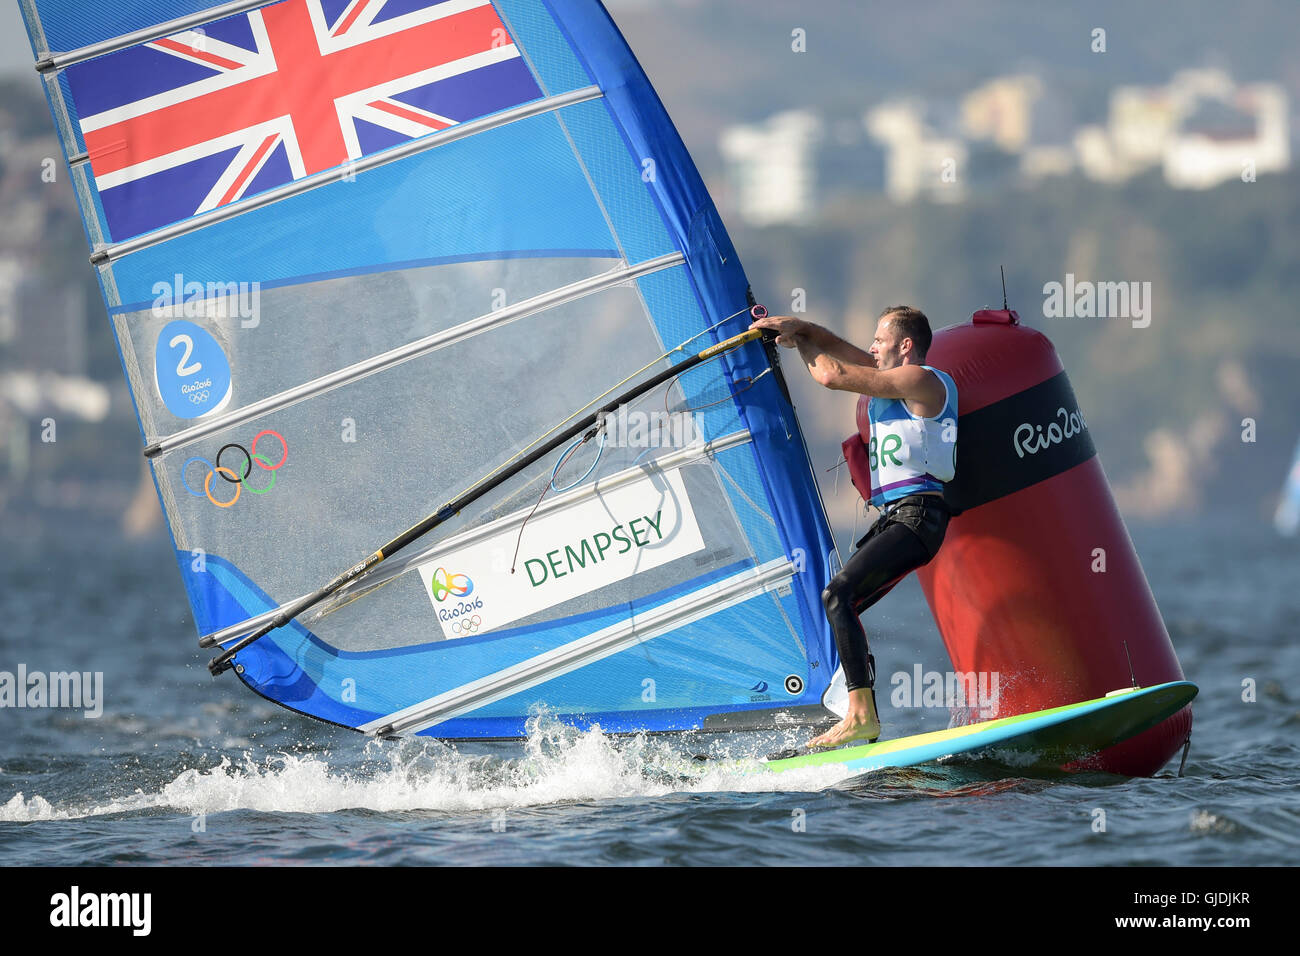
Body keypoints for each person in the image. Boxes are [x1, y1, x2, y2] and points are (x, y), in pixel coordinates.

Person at [750, 306, 958, 748]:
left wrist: (800, 339)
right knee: (840, 605)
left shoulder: (921, 380)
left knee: (838, 594)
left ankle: (862, 717)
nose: (871, 347)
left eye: (879, 341)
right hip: (897, 519)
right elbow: (839, 350)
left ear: (905, 346)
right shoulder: (892, 379)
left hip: (919, 515)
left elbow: (831, 374)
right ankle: (858, 717)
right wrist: (801, 329)